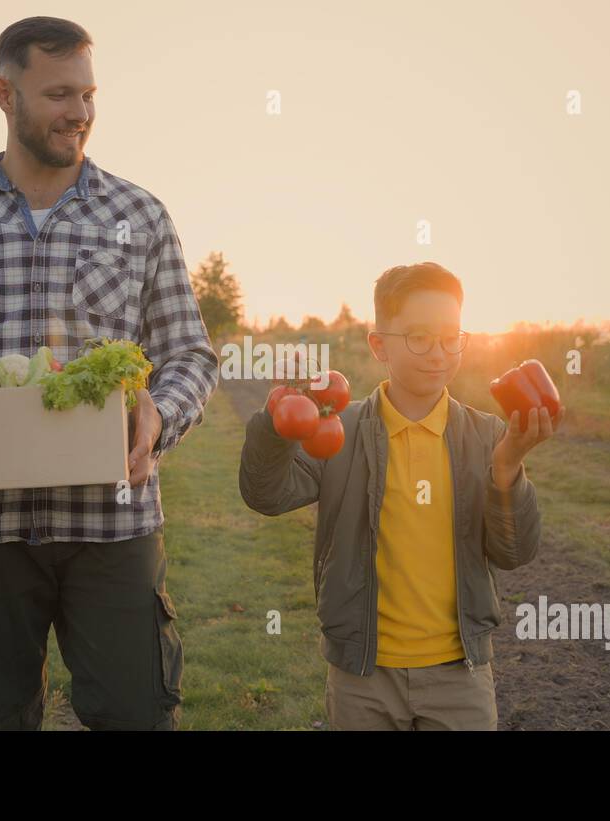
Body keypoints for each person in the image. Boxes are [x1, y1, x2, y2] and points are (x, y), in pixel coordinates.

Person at [0, 17, 219, 730]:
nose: (81, 113)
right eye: (60, 94)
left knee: (136, 713)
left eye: (89, 94)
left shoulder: (140, 215)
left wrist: (160, 415)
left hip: (110, 525)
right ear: (4, 94)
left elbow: (189, 354)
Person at [239, 262, 562, 730]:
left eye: (451, 337)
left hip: (460, 677)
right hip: (363, 677)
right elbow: (265, 494)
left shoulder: (487, 436)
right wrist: (278, 422)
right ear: (378, 345)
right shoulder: (338, 433)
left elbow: (514, 551)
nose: (437, 353)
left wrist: (508, 467)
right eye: (418, 337)